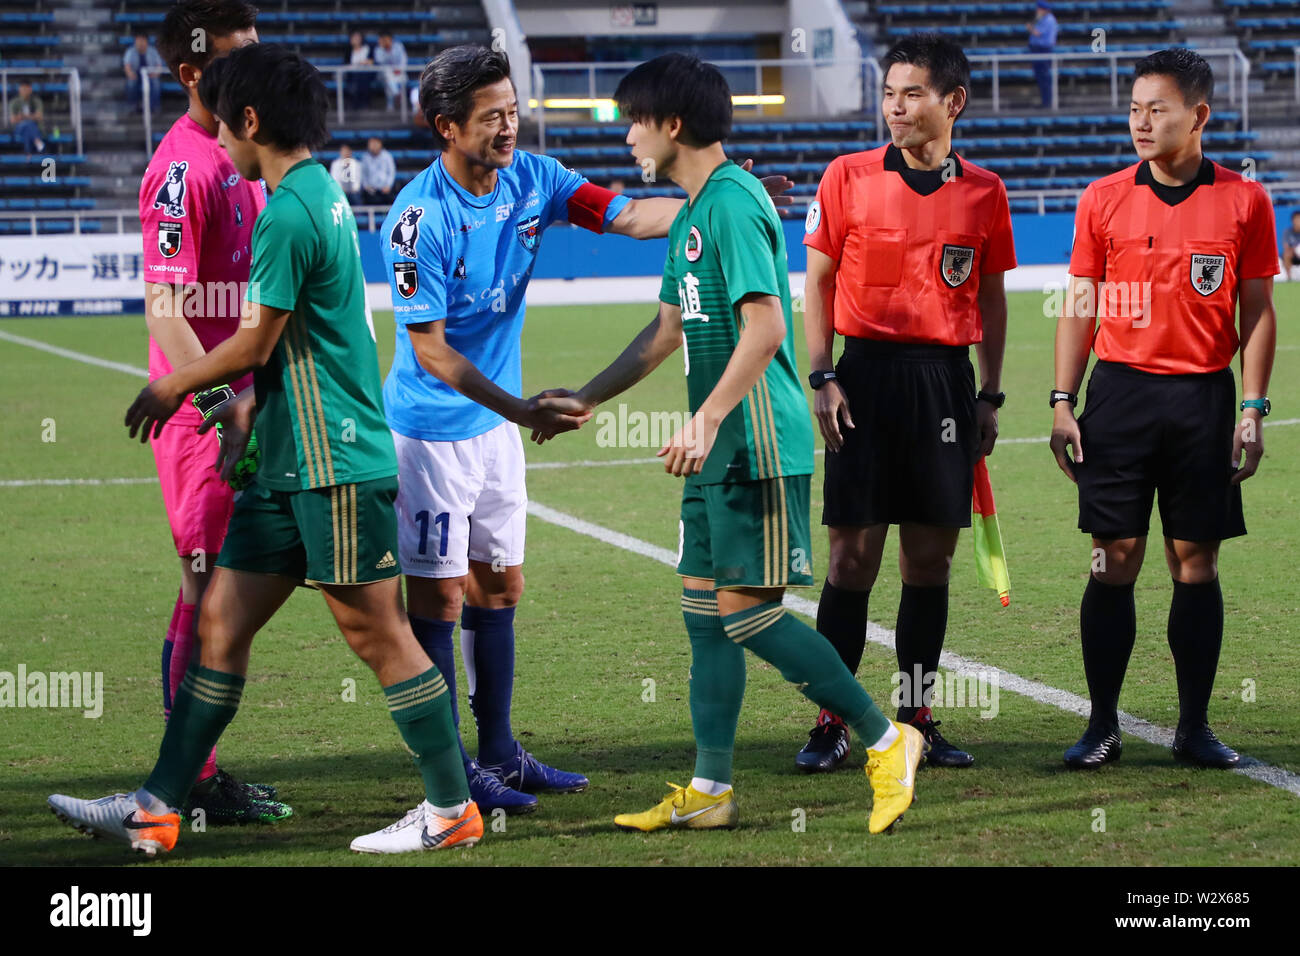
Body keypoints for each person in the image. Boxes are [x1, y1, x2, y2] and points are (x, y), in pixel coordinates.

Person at [49, 44, 481, 858]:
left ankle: (451, 807)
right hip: (288, 463)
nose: (219, 137)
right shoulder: (314, 195)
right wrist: (245, 415)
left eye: (225, 121)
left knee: (378, 636)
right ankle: (156, 807)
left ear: (250, 120)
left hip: (333, 464)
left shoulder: (287, 211)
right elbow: (288, 349)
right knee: (219, 624)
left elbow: (254, 343)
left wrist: (177, 387)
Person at [380, 44, 796, 815]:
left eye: (512, 109)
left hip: (498, 429)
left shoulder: (536, 179)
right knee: (435, 602)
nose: (510, 127)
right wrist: (520, 410)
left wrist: (721, 198)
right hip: (432, 433)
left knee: (500, 586)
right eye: (491, 117)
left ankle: (501, 752)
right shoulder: (416, 220)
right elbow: (430, 349)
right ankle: (452, 768)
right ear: (445, 126)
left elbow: (633, 215)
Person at [536, 52, 928, 836]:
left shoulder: (734, 202)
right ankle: (711, 788)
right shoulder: (689, 213)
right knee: (704, 617)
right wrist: (585, 396)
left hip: (755, 444)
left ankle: (890, 739)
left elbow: (769, 326)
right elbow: (664, 334)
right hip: (715, 451)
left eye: (632, 124)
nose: (627, 142)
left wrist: (710, 416)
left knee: (748, 617)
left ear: (671, 124)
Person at [1050, 48, 1277, 770]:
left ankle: (1194, 727)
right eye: (1134, 109)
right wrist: (1063, 399)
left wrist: (1252, 407)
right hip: (1118, 395)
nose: (1141, 123)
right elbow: (1080, 306)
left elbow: (1260, 311)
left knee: (1195, 563)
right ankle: (1102, 726)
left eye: (1158, 109)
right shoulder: (1103, 196)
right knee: (1111, 559)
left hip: (1202, 398)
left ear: (1198, 115)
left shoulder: (1246, 200)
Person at [798, 33, 1014, 773]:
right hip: (865, 378)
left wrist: (988, 393)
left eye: (912, 92)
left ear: (952, 101)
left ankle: (915, 717)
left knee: (929, 562)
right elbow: (818, 286)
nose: (896, 106)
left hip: (945, 382)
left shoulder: (986, 191)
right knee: (852, 559)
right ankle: (832, 718)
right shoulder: (847, 176)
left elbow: (990, 296)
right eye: (890, 92)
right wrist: (821, 376)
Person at [132, 0, 289, 824]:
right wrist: (226, 397)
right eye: (238, 57)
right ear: (194, 72)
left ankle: (193, 772)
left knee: (227, 595)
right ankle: (189, 781)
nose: (256, 69)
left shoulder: (242, 150)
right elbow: (166, 309)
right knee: (205, 593)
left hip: (251, 406)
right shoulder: (183, 168)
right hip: (209, 416)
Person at [123, 31, 164, 113]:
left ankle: (153, 107)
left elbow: (159, 66)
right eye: (138, 41)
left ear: (146, 41)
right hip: (136, 75)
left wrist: (155, 73)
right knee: (131, 83)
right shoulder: (130, 51)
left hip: (150, 75)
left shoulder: (153, 51)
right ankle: (133, 106)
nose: (140, 43)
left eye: (142, 40)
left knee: (156, 83)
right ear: (135, 41)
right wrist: (130, 74)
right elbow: (127, 66)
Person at [1027, 2, 1059, 108]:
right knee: (1040, 77)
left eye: (1039, 9)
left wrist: (1030, 28)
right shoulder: (1042, 19)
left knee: (1044, 77)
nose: (1037, 11)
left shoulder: (1049, 19)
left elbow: (1038, 33)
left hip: (1043, 49)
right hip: (1037, 49)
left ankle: (1047, 102)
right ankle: (1045, 101)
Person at [373, 32, 408, 111]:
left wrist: (399, 69)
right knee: (388, 75)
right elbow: (380, 62)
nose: (385, 41)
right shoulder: (378, 49)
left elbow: (404, 60)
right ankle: (397, 94)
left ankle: (391, 104)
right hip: (383, 74)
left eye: (387, 39)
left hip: (398, 72)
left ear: (391, 39)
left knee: (391, 83)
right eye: (383, 39)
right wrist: (384, 49)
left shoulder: (398, 46)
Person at [10, 80, 45, 154]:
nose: (25, 91)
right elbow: (13, 120)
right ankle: (37, 141)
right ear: (19, 90)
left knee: (28, 128)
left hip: (34, 128)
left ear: (30, 90)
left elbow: (39, 117)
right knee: (28, 124)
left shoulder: (36, 101)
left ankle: (28, 153)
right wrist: (31, 116)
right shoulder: (14, 102)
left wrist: (23, 117)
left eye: (26, 89)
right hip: (19, 128)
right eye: (23, 89)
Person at [360, 135, 396, 205]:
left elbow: (391, 172)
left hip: (385, 189)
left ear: (380, 144)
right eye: (371, 144)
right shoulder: (365, 157)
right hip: (371, 190)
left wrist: (388, 186)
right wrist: (366, 186)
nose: (373, 146)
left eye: (375, 144)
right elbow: (363, 173)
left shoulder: (387, 156)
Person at [343, 30, 373, 112]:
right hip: (352, 75)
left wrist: (366, 62)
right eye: (354, 38)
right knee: (354, 80)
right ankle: (354, 105)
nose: (356, 40)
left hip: (366, 75)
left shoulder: (367, 49)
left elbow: (371, 61)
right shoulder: (348, 51)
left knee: (362, 78)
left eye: (357, 38)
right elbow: (346, 64)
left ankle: (363, 104)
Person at [1282, 210, 1300, 281]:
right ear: (1292, 221)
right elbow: (1286, 247)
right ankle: (1289, 278)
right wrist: (1296, 250)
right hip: (1293, 255)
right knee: (1287, 254)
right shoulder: (1287, 232)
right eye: (1296, 219)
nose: (1298, 222)